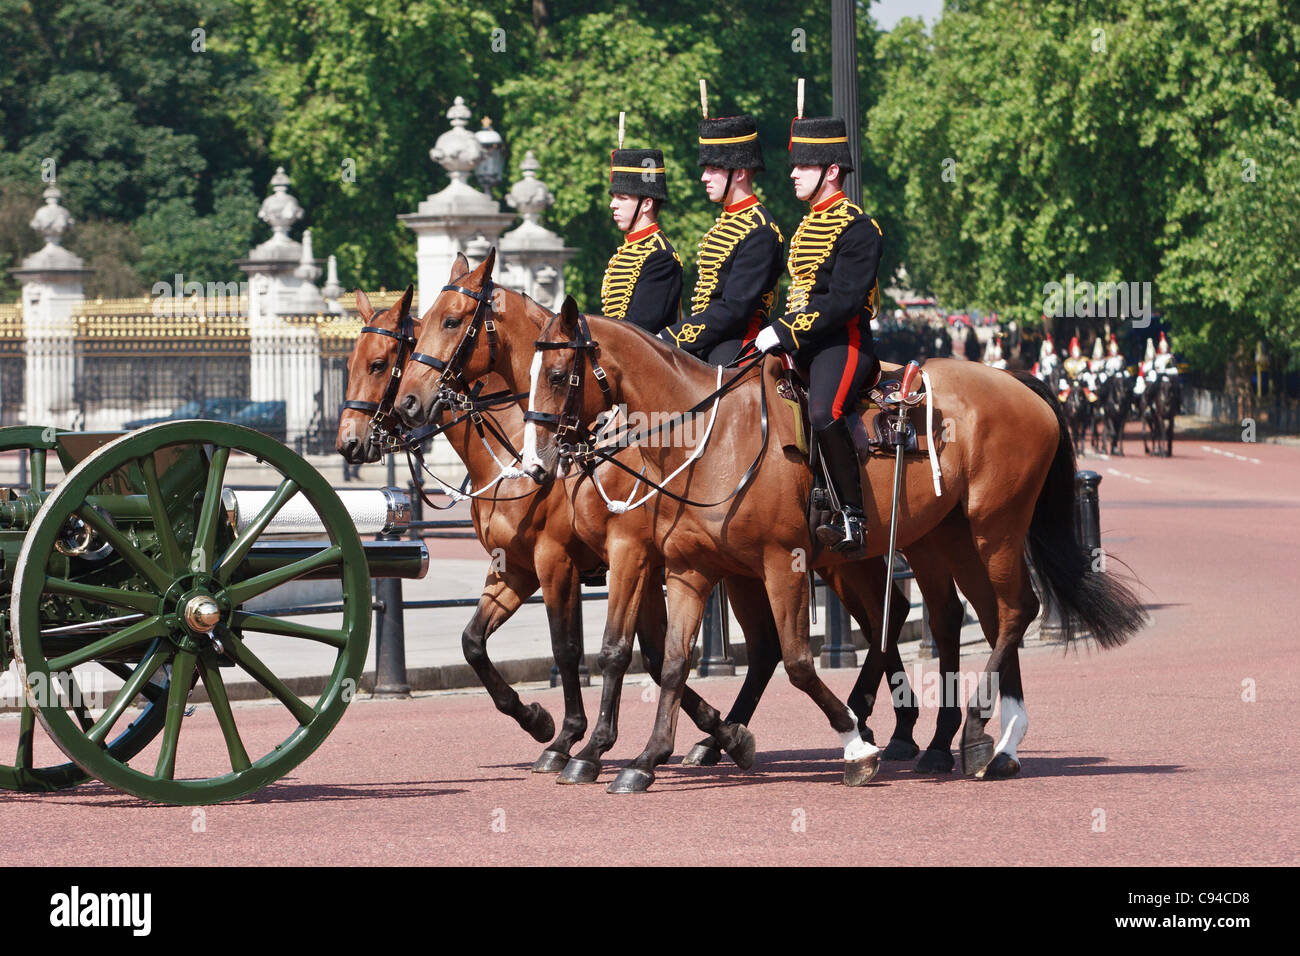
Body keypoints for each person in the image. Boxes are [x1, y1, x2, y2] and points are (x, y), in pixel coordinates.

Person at [753, 113, 882, 554]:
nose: (792, 174)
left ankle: (852, 515)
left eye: (802, 167)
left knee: (824, 411)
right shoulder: (806, 225)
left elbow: (844, 302)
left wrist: (785, 331)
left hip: (842, 343)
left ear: (830, 171)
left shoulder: (859, 227)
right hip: (803, 343)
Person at [665, 112, 785, 366]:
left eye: (713, 169)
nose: (704, 177)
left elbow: (734, 310)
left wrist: (671, 337)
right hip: (709, 337)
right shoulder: (727, 223)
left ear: (740, 172)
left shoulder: (760, 230)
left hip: (738, 342)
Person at [600, 146, 682, 334]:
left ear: (646, 204)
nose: (613, 205)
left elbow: (640, 327)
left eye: (622, 198)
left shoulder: (660, 256)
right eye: (614, 197)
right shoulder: (627, 250)